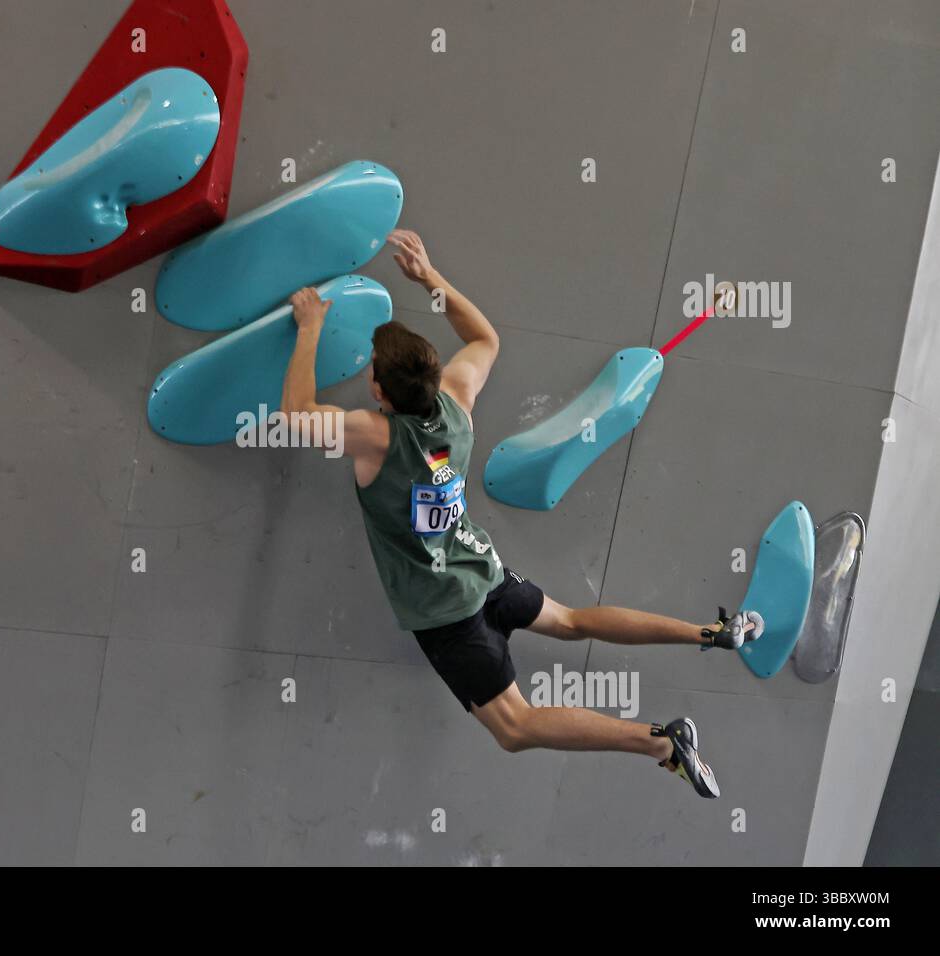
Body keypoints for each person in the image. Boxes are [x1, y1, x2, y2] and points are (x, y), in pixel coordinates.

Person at [279, 228, 763, 798]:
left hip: (447, 614)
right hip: (483, 571)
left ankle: (662, 743)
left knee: (514, 728)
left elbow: (294, 415)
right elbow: (483, 337)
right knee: (573, 621)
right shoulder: (457, 402)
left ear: (381, 393)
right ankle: (712, 633)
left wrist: (309, 328)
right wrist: (429, 277)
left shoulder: (375, 436)